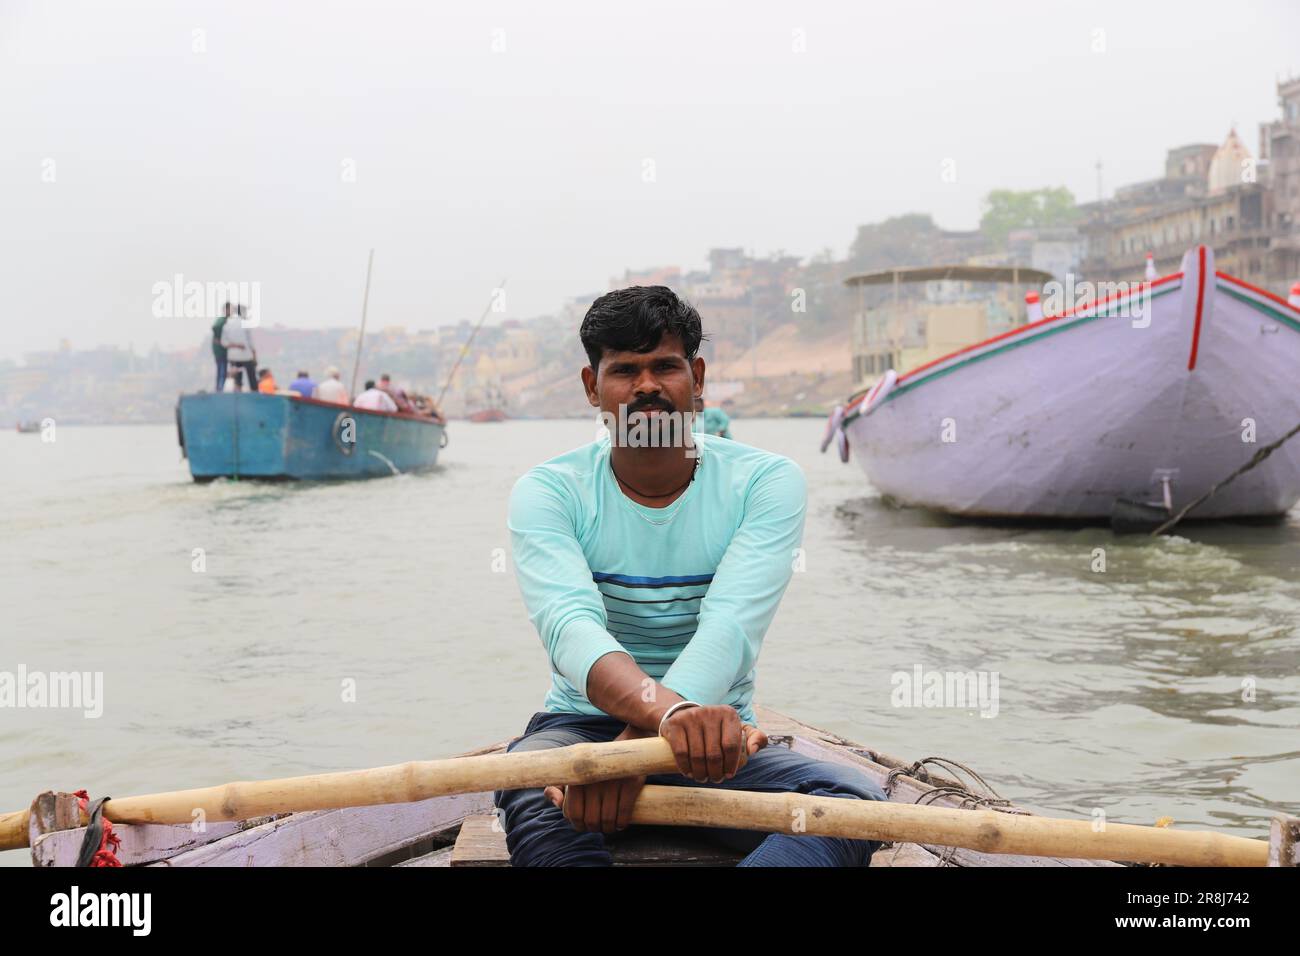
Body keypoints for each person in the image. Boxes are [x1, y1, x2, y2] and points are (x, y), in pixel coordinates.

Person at [495, 285, 886, 867]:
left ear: (697, 378)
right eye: (625, 370)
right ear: (591, 387)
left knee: (852, 804)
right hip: (580, 728)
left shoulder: (765, 482)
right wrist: (660, 726)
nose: (647, 385)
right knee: (533, 791)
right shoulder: (549, 491)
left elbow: (729, 628)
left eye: (665, 367)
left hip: (716, 740)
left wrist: (642, 752)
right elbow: (571, 630)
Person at [220, 305, 257, 391]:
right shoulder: (245, 323)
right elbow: (250, 342)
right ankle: (255, 392)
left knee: (237, 378)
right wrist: (254, 355)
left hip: (233, 356)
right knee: (251, 376)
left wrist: (235, 345)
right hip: (246, 355)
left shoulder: (227, 324)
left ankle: (238, 392)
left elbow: (224, 342)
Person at [212, 302, 232, 391]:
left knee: (223, 369)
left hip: (224, 349)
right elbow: (215, 327)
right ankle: (219, 388)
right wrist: (219, 339)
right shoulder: (222, 320)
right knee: (222, 369)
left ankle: (220, 388)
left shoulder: (228, 321)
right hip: (220, 350)